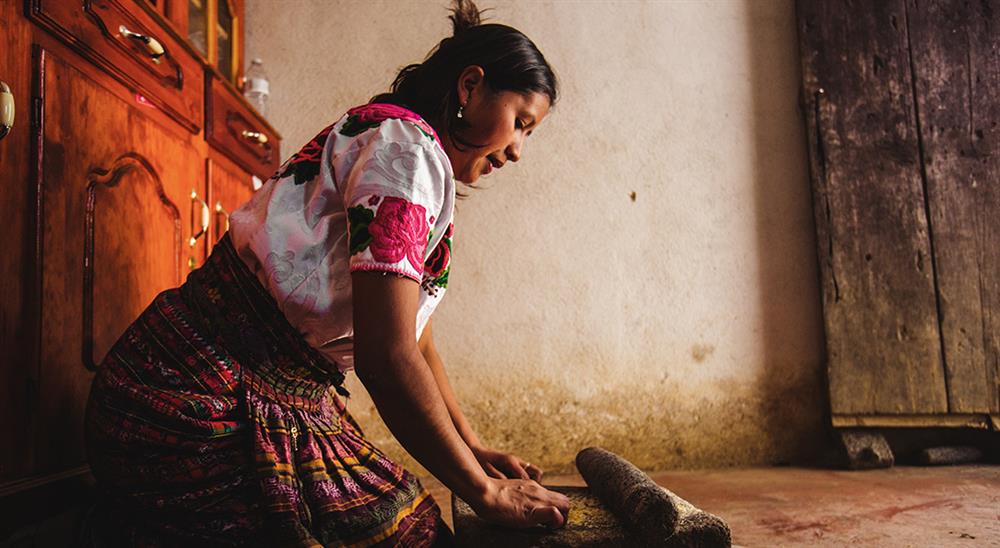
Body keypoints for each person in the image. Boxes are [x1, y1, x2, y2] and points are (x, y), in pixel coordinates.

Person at [82, 0, 568, 545]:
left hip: (221, 380)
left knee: (403, 520)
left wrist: (473, 449)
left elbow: (412, 334)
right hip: (187, 403)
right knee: (414, 537)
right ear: (470, 86)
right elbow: (385, 356)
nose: (519, 151)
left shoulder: (397, 142)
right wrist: (486, 492)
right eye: (520, 122)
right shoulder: (407, 156)